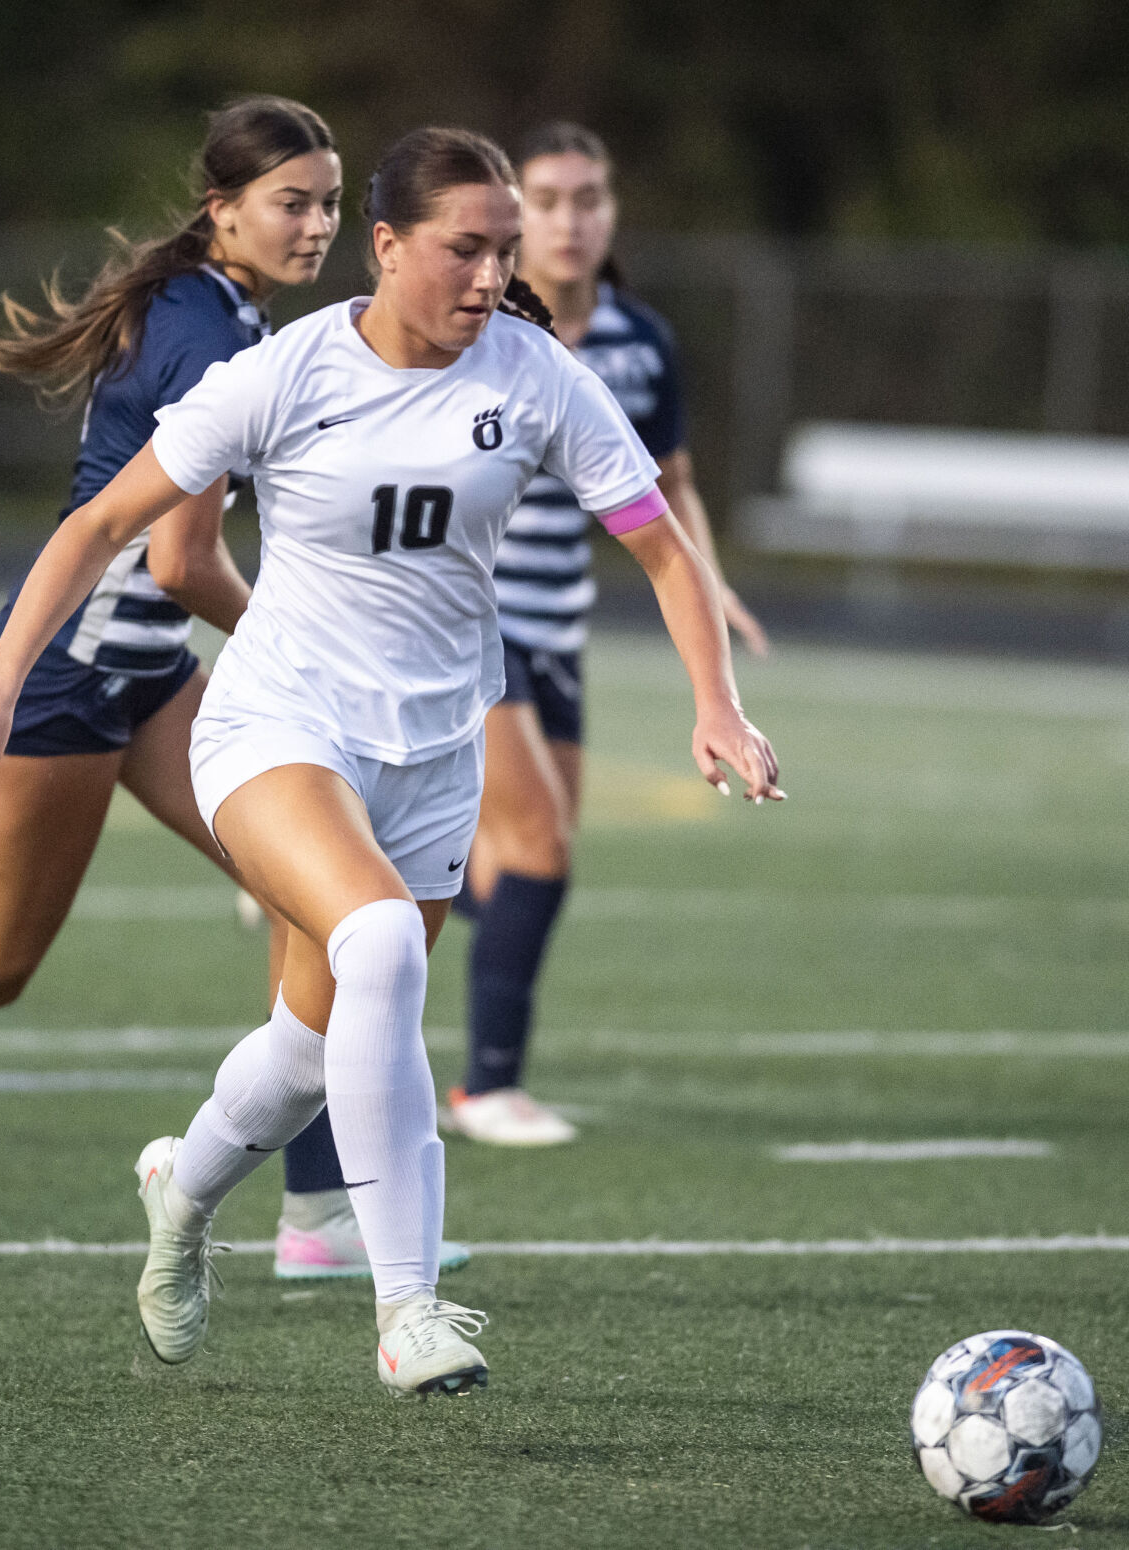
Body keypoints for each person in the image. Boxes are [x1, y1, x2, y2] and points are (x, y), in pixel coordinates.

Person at [0, 125, 783, 1398]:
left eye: (502, 252)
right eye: (462, 249)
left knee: (313, 1042)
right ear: (387, 245)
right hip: (277, 727)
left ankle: (180, 1185)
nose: (488, 276)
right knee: (383, 944)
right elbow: (103, 523)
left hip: (435, 752)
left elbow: (655, 544)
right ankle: (407, 1306)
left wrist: (715, 702)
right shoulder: (285, 370)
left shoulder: (535, 375)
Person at [0, 94, 458, 1282]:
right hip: (69, 674)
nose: (316, 224)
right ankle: (314, 1206)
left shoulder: (216, 307)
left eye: (328, 202)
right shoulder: (212, 333)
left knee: (326, 894)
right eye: (291, 202)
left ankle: (315, 1213)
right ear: (221, 211)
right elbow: (179, 558)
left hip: (150, 669)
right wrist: (314, 642)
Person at [442, 122, 771, 1147]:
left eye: (587, 198)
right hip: (472, 621)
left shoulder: (639, 342)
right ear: (513, 214)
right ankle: (487, 1083)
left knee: (521, 864)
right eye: (546, 199)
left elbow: (668, 491)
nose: (569, 219)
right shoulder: (475, 330)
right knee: (534, 847)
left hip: (556, 628)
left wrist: (707, 587)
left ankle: (344, 870)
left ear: (610, 210)